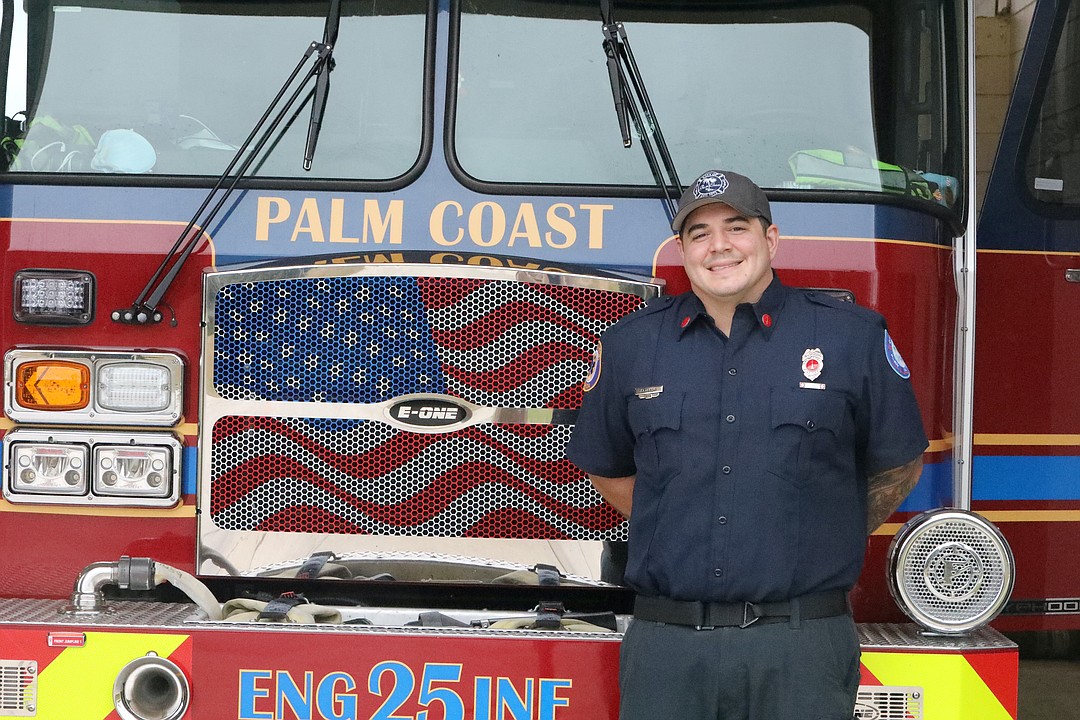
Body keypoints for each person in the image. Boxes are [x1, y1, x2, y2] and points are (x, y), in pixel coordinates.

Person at [566, 169, 927, 720]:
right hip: (669, 648)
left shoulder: (850, 337)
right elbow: (606, 466)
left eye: (736, 227)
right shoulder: (631, 345)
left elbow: (899, 462)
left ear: (771, 240)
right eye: (699, 233)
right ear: (682, 250)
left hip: (801, 646)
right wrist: (686, 515)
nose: (719, 246)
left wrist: (815, 526)